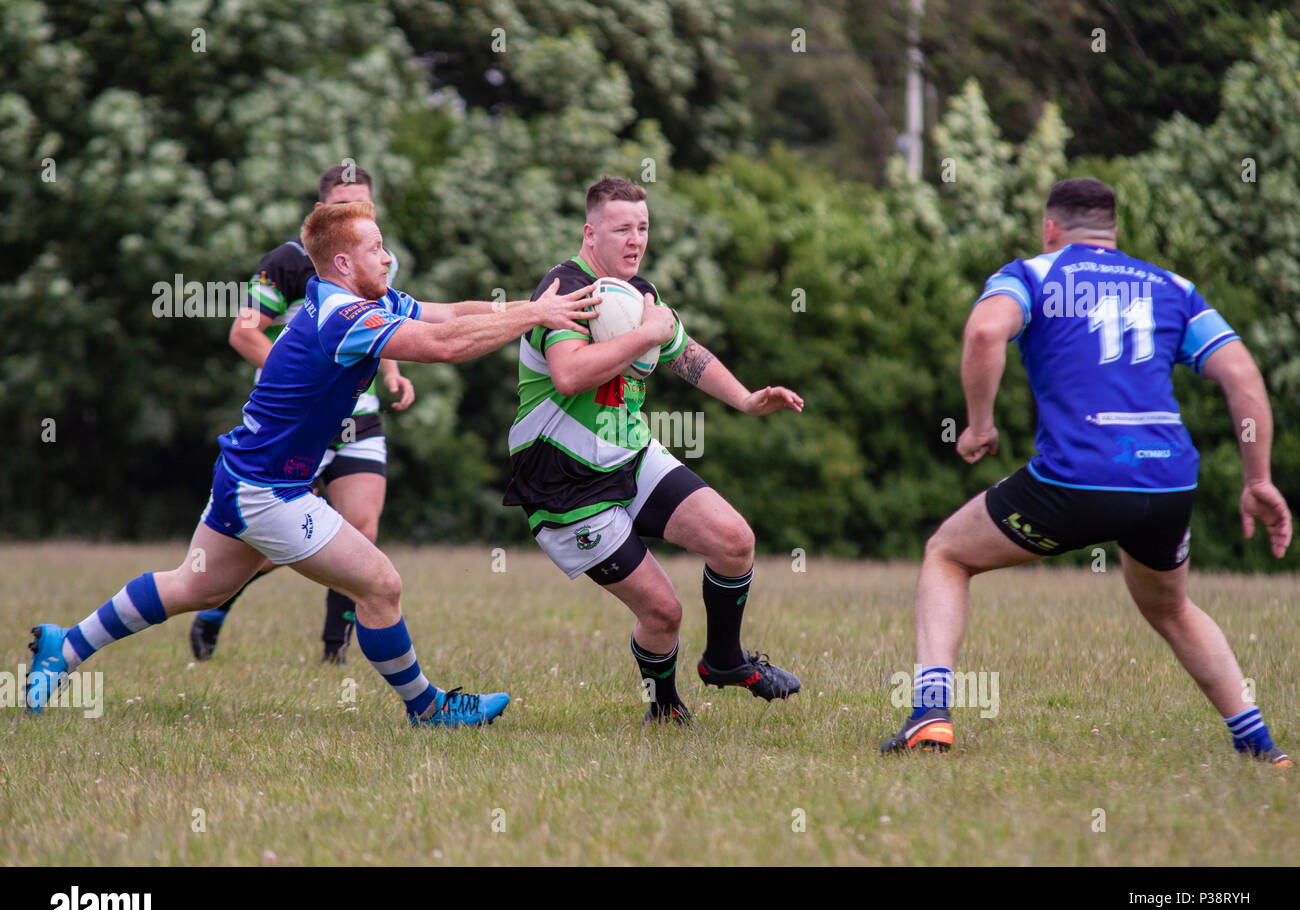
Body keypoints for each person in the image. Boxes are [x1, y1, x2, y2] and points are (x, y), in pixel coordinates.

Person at [28, 201, 597, 727]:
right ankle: (428, 709)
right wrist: (532, 314)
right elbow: (445, 346)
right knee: (381, 585)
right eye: (377, 247)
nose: (388, 256)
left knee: (195, 587)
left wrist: (532, 309)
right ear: (345, 261)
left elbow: (449, 313)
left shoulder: (368, 301)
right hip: (266, 490)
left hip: (248, 475)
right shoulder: (343, 317)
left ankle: (66, 644)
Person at [880, 178, 1293, 766]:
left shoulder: (1034, 274)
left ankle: (930, 714)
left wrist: (978, 425)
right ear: (1114, 231)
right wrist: (1257, 480)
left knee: (948, 554)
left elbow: (982, 332)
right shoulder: (1171, 287)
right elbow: (1243, 376)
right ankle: (1260, 746)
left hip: (1077, 479)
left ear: (1051, 229)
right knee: (1172, 607)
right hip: (1166, 483)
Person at [502, 177, 805, 725]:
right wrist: (646, 335)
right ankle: (663, 709)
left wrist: (745, 398)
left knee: (735, 541)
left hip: (628, 454)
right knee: (663, 612)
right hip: (563, 480)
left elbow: (682, 349)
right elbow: (569, 375)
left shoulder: (639, 291)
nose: (635, 239)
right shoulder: (565, 289)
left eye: (643, 227)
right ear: (590, 233)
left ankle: (724, 660)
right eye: (622, 228)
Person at [192, 164, 467, 663]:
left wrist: (391, 375)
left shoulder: (379, 259)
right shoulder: (289, 262)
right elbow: (244, 332)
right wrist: (307, 382)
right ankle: (218, 597)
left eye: (363, 205)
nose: (355, 214)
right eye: (343, 206)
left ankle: (333, 651)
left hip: (358, 414)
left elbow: (382, 324)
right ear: (321, 213)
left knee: (361, 528)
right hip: (299, 422)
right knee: (280, 534)